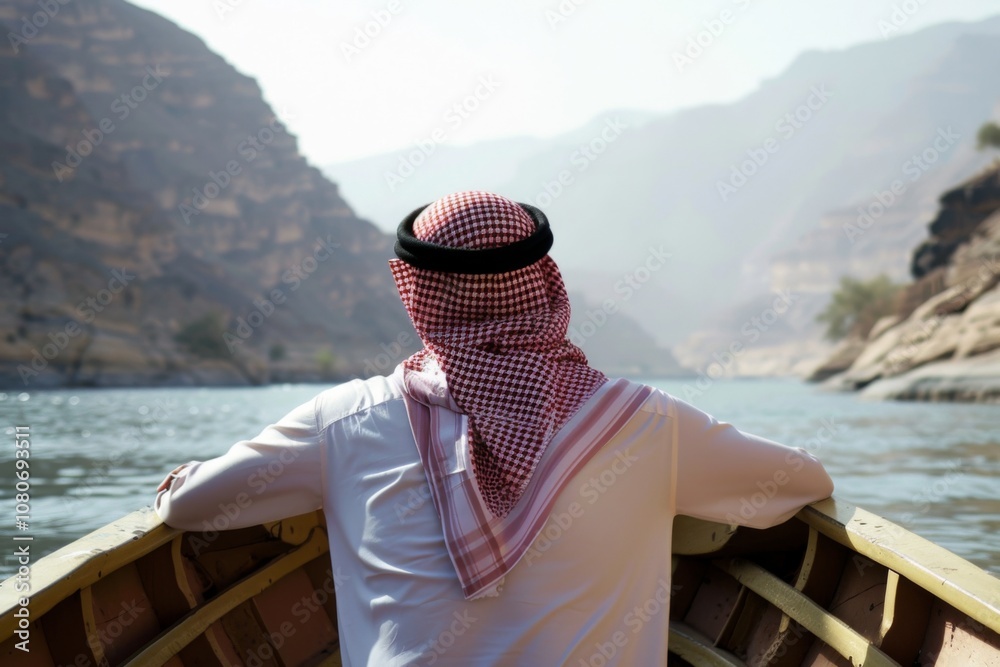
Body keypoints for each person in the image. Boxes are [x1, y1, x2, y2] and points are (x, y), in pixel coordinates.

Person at [155, 190, 834, 666]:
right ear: (543, 281)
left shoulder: (343, 419)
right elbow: (800, 481)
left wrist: (182, 477)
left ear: (415, 290)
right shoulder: (645, 421)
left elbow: (190, 506)